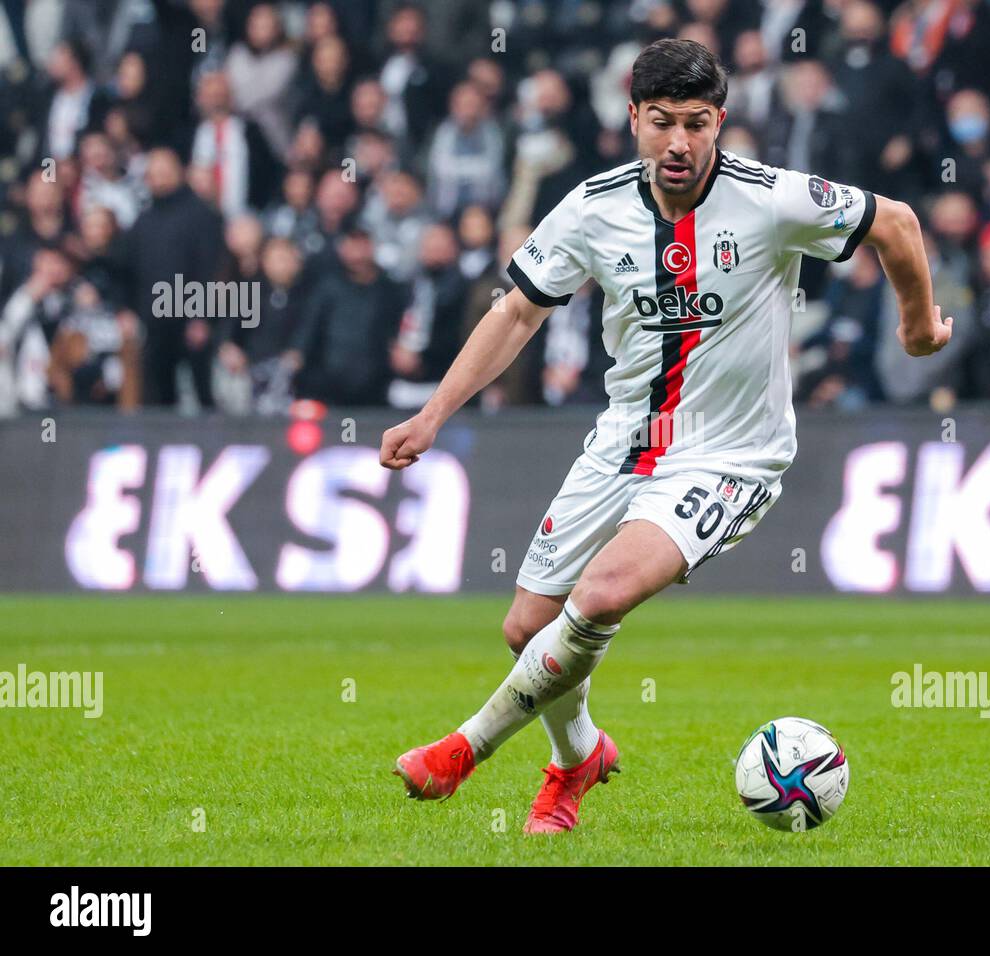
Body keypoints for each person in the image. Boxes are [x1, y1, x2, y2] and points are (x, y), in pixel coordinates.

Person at [377, 39, 951, 832]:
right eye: (661, 123)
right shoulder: (592, 205)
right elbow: (516, 311)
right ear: (632, 120)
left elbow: (898, 221)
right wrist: (434, 414)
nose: (678, 143)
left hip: (732, 452)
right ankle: (580, 758)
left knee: (601, 595)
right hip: (625, 439)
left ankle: (464, 749)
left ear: (720, 121)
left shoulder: (772, 198)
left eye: (695, 124)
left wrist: (918, 326)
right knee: (525, 629)